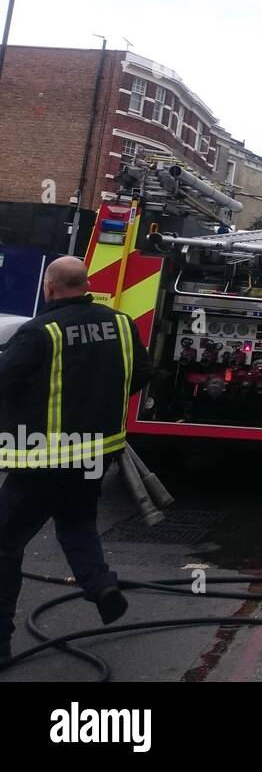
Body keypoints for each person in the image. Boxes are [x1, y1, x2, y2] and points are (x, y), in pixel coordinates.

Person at [0, 257, 152, 665]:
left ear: (49, 288)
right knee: (76, 521)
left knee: (5, 543)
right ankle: (101, 585)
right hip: (94, 454)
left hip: (42, 460)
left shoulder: (38, 332)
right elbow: (140, 373)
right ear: (86, 285)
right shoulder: (121, 323)